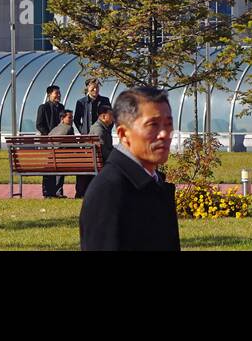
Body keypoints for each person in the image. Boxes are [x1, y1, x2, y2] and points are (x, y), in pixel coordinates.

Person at [79, 87, 179, 251]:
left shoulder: (154, 182)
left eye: (168, 124)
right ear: (124, 134)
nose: (164, 134)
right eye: (153, 125)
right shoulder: (109, 191)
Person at [36, 85, 67, 198]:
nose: (58, 95)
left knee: (60, 166)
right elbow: (39, 124)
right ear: (49, 94)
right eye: (56, 93)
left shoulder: (61, 107)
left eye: (59, 93)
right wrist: (49, 136)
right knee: (49, 167)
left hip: (59, 143)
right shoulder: (43, 108)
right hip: (48, 142)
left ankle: (58, 191)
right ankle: (48, 192)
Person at [79, 106, 114, 200]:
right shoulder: (99, 129)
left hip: (96, 159)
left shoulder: (102, 127)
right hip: (98, 160)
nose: (113, 117)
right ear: (103, 116)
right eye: (111, 115)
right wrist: (115, 158)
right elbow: (102, 150)